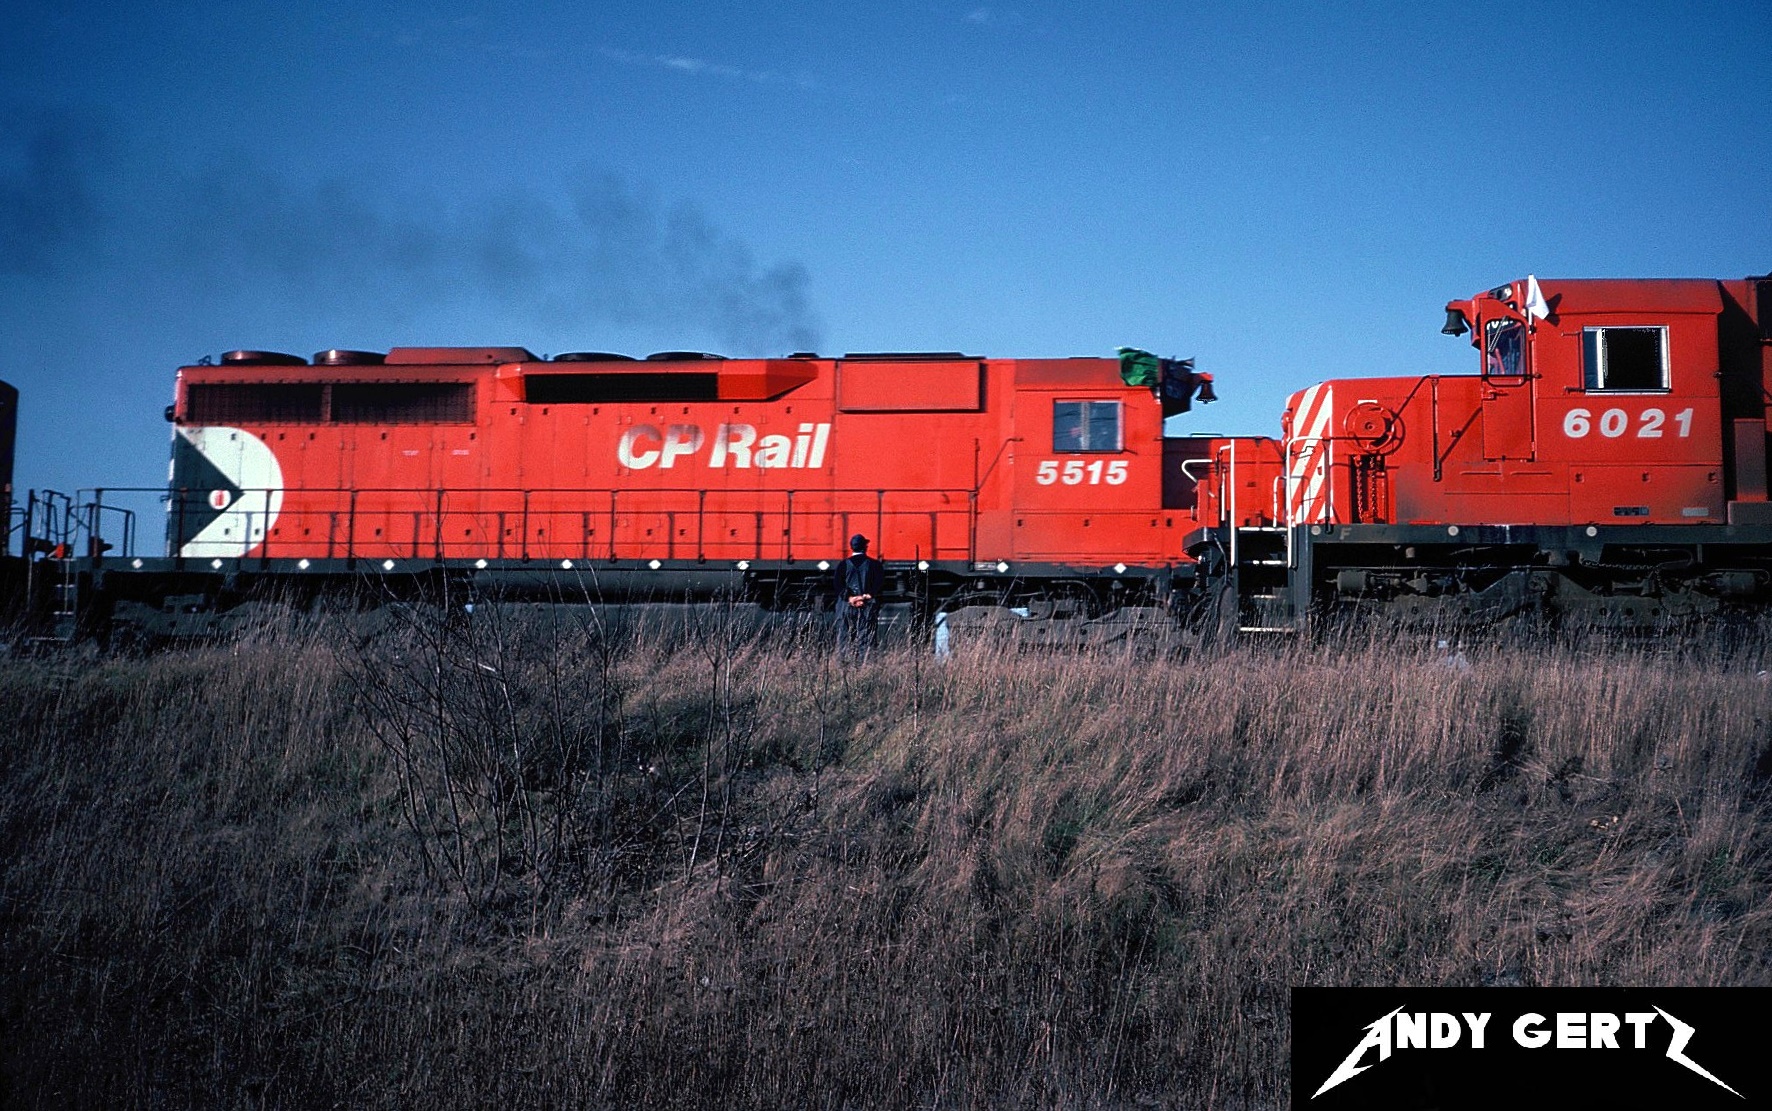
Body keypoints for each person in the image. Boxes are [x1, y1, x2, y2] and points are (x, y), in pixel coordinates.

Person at [834, 533, 885, 659]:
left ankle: (844, 665)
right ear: (865, 547)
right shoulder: (875, 565)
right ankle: (865, 666)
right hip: (867, 606)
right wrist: (866, 596)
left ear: (851, 547)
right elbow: (879, 584)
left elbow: (838, 584)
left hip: (845, 607)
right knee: (866, 639)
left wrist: (851, 598)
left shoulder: (842, 565)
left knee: (844, 638)